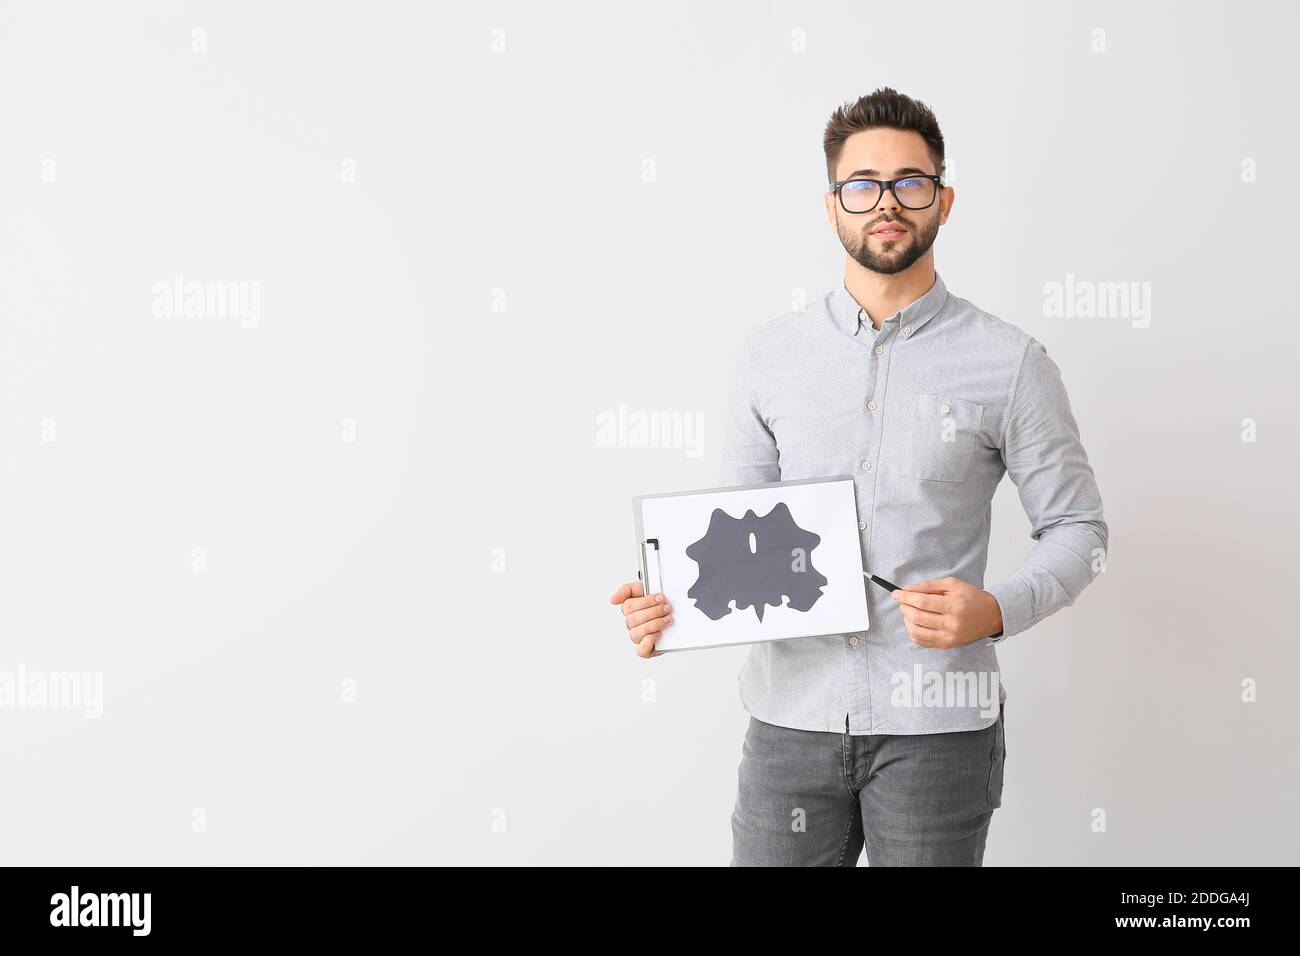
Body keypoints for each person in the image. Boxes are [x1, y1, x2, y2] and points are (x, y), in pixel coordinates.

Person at [609, 87, 1108, 866]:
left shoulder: (1011, 364)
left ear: (943, 201)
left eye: (910, 182)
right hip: (788, 725)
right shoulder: (766, 358)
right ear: (833, 205)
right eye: (863, 184)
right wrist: (668, 604)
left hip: (938, 734)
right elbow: (736, 539)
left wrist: (997, 610)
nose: (887, 203)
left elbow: (1079, 529)